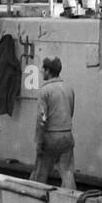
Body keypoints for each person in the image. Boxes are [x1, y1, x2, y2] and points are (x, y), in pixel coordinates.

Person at [30, 57, 76, 189]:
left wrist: (39, 142)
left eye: (42, 69)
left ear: (48, 71)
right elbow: (71, 112)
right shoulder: (69, 88)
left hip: (50, 138)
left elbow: (42, 118)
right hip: (67, 136)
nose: (40, 71)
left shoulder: (45, 91)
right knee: (67, 173)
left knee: (41, 174)